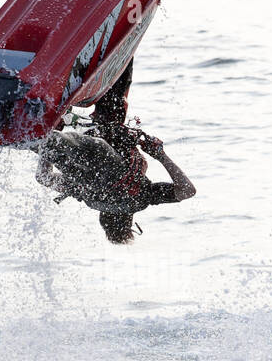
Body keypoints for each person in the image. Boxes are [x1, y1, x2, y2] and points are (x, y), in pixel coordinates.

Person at [33, 61, 195, 244]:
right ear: (103, 218)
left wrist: (160, 155)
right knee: (43, 142)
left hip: (105, 157)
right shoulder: (90, 200)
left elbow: (188, 191)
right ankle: (33, 129)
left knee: (99, 122)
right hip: (85, 168)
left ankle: (48, 132)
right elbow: (43, 178)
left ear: (129, 219)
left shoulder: (141, 199)